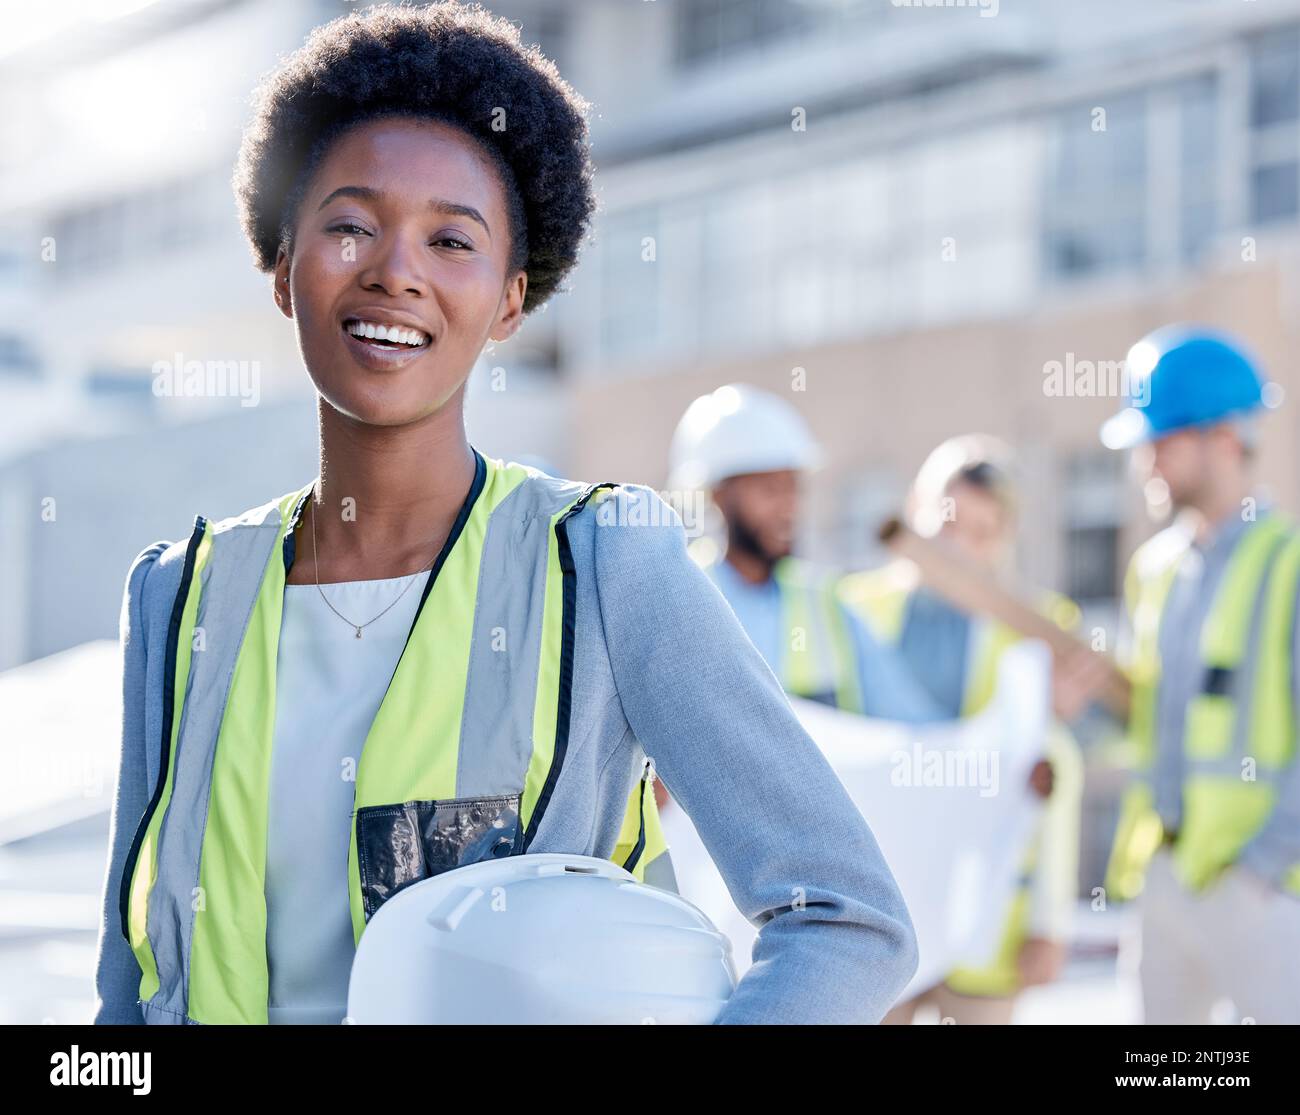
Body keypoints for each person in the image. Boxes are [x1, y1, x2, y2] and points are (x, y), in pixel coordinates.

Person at [91, 2, 919, 1027]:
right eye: (350, 224)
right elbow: (126, 989)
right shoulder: (179, 594)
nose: (396, 268)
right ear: (280, 263)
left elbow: (846, 918)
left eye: (452, 238)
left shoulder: (604, 560)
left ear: (511, 299)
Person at [840, 436, 1085, 1024]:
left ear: (1005, 540)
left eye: (983, 532)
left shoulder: (1037, 629)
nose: (960, 547)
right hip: (878, 904)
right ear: (914, 512)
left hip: (984, 909)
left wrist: (1050, 922)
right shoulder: (850, 608)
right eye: (947, 523)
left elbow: (1053, 778)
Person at [1099, 326, 1300, 1024]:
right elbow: (1154, 719)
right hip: (1164, 877)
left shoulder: (1290, 561)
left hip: (1264, 887)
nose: (1145, 463)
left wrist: (1262, 869)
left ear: (1223, 437)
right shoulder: (1153, 569)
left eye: (1161, 441)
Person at [668, 383, 944, 722]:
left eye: (793, 488)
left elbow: (915, 724)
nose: (789, 507)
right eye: (770, 490)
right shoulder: (678, 602)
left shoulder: (827, 605)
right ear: (718, 496)